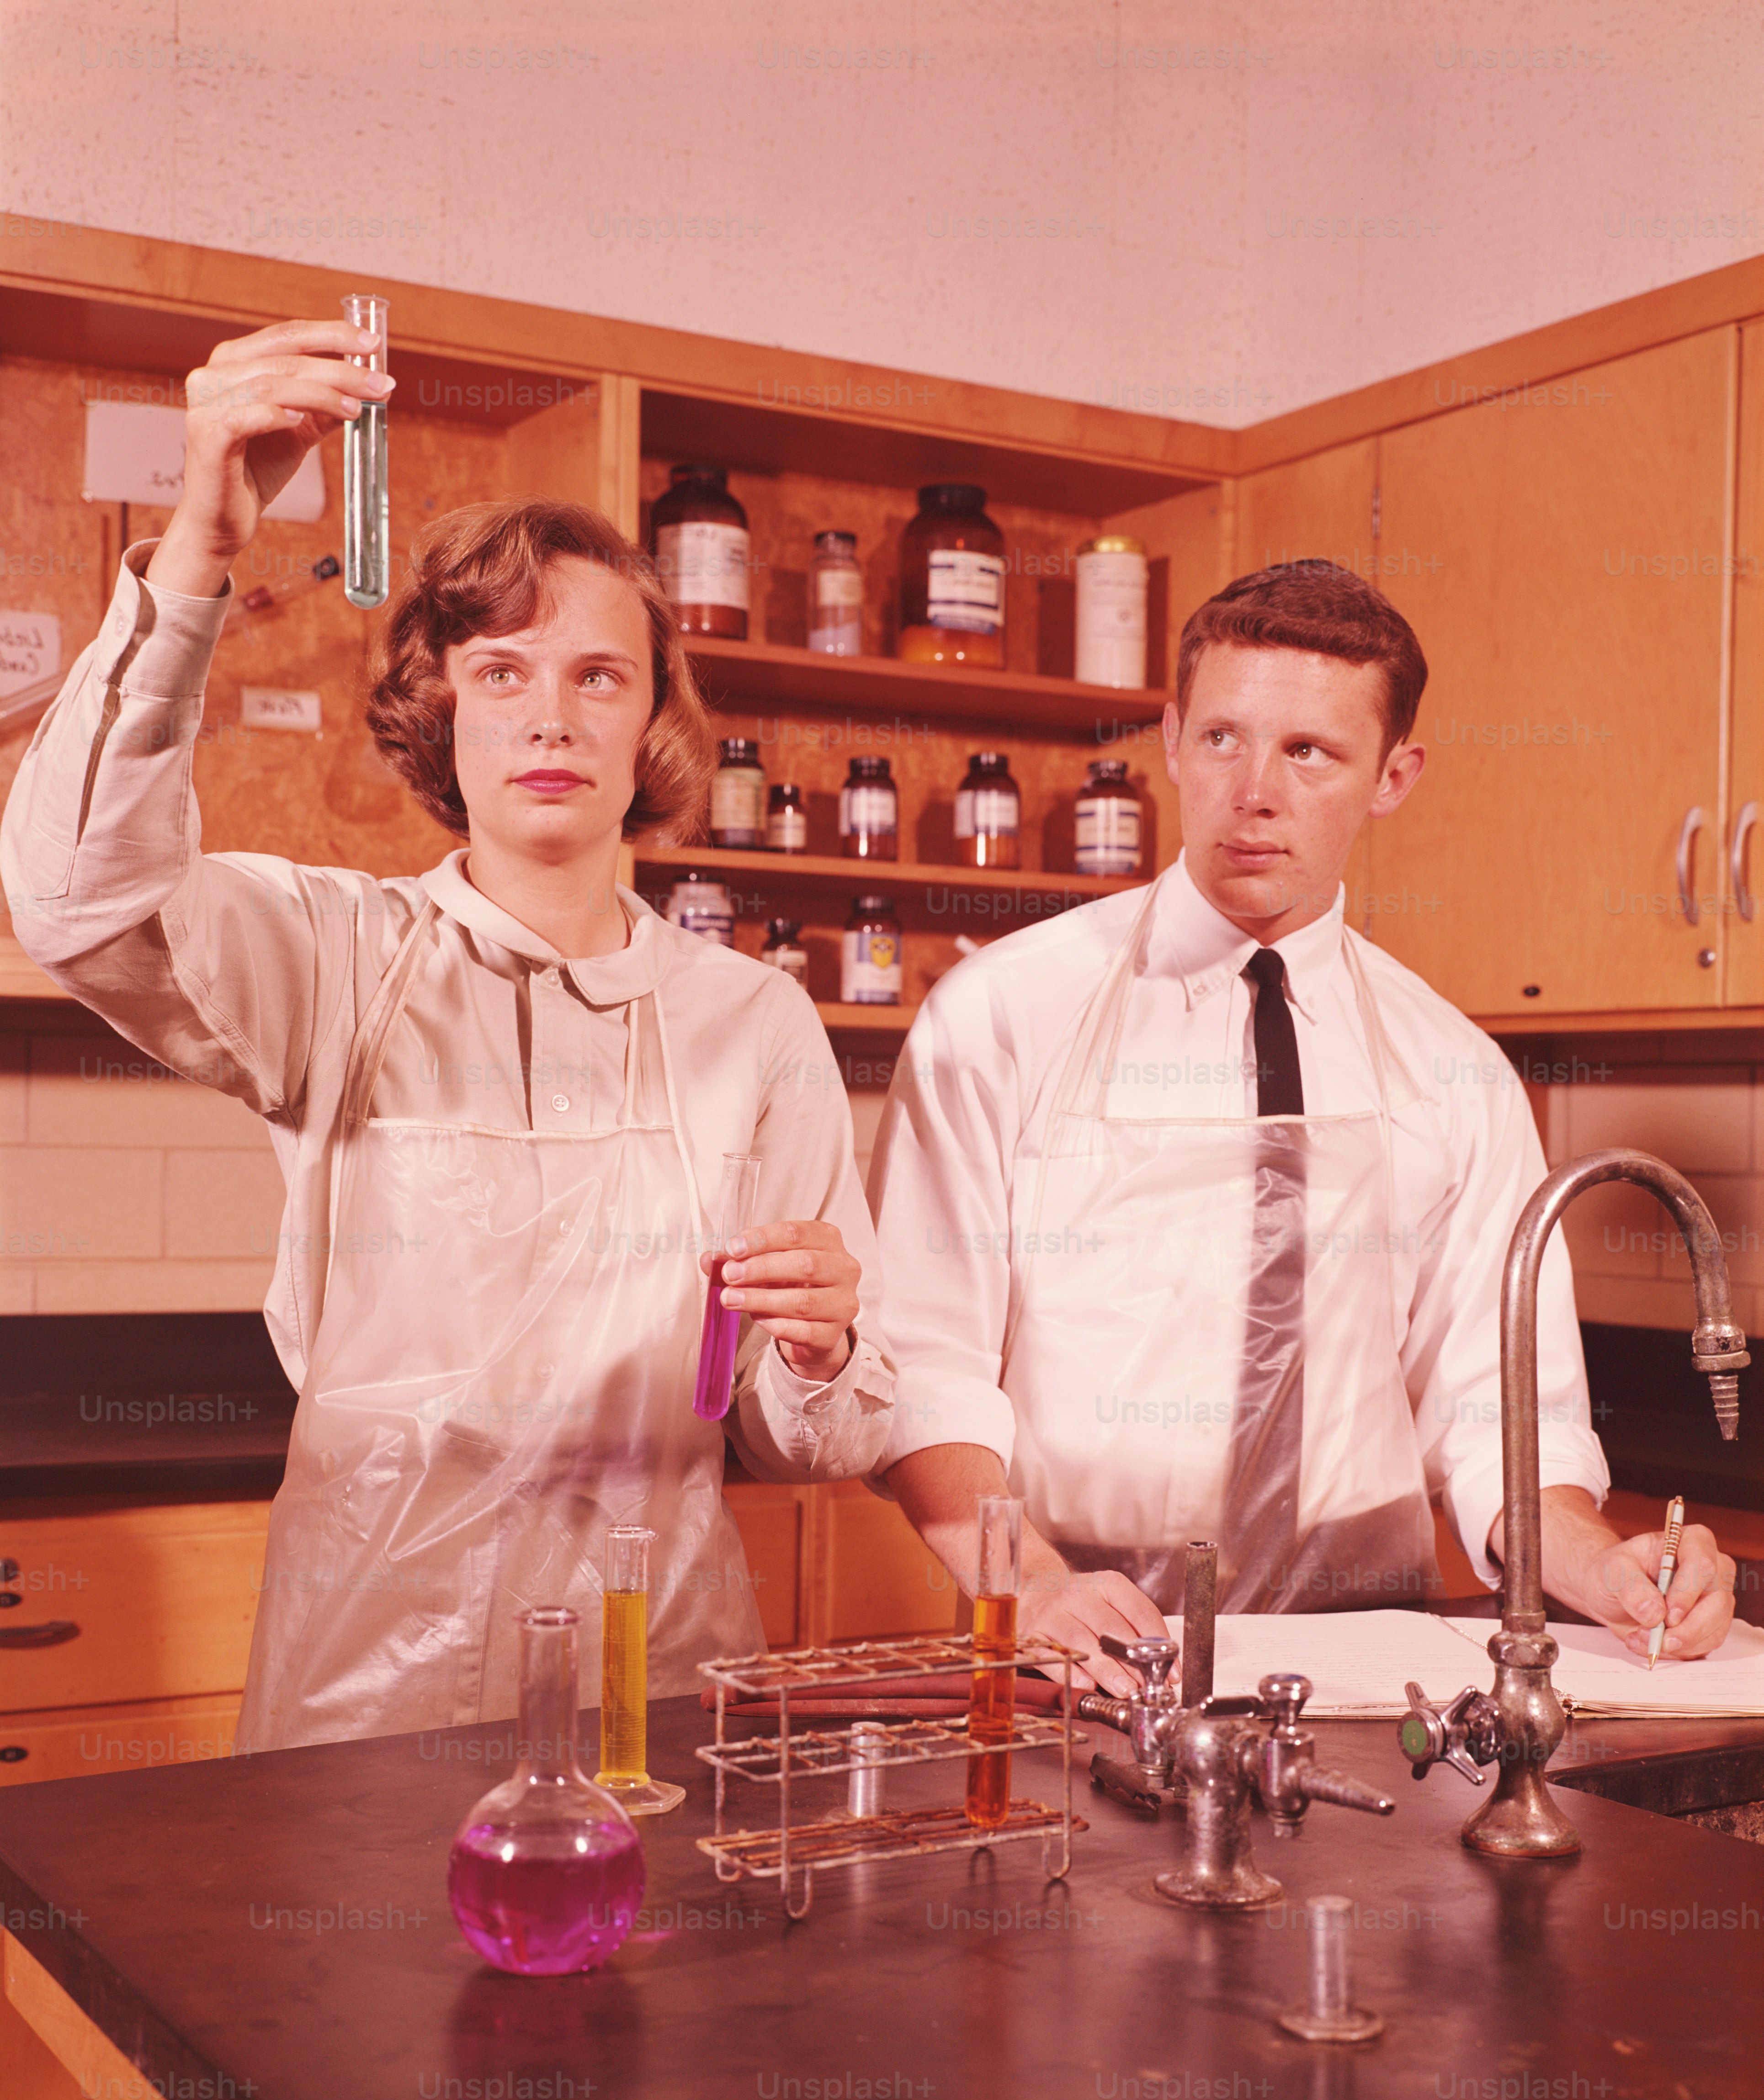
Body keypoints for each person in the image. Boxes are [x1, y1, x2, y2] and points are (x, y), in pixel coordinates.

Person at [0, 315, 895, 1751]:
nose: (550, 711)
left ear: (655, 716)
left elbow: (815, 1443)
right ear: (442, 709)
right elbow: (68, 893)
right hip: (367, 1681)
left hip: (650, 1676)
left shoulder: (752, 1019)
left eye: (597, 675)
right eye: (500, 671)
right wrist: (199, 549)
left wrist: (819, 1344)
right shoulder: (331, 954)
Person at [869, 561, 1737, 1694]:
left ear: (1392, 776)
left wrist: (1603, 1565)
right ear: (1172, 739)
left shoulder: (1455, 1071)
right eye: (1223, 738)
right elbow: (925, 1366)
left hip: (1365, 1676)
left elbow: (1493, 1413)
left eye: (1311, 752)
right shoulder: (1000, 1015)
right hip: (1067, 1649)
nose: (1254, 791)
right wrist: (1024, 1582)